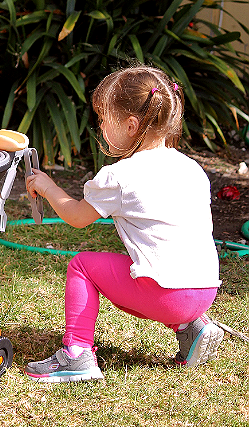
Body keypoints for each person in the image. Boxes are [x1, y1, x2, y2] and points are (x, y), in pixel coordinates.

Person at [23, 65, 224, 383]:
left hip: (166, 295)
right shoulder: (192, 169)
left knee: (82, 267)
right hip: (205, 289)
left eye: (104, 119)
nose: (101, 126)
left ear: (131, 125)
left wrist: (48, 187)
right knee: (139, 273)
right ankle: (191, 328)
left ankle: (77, 354)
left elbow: (76, 217)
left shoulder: (119, 176)